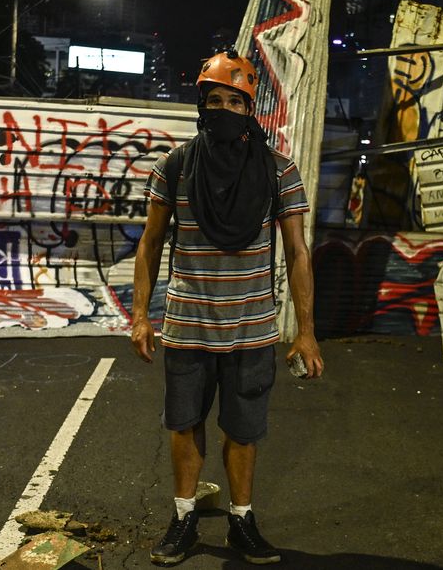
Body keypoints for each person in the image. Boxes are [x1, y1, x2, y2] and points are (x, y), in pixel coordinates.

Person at [130, 48, 324, 566]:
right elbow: (150, 244)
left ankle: (242, 521)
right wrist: (140, 317)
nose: (223, 109)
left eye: (234, 102)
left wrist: (306, 332)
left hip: (251, 329)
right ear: (202, 105)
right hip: (187, 326)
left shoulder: (279, 171)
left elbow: (298, 251)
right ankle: (183, 518)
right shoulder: (174, 167)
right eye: (214, 100)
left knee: (243, 431)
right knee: (184, 424)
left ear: (249, 108)